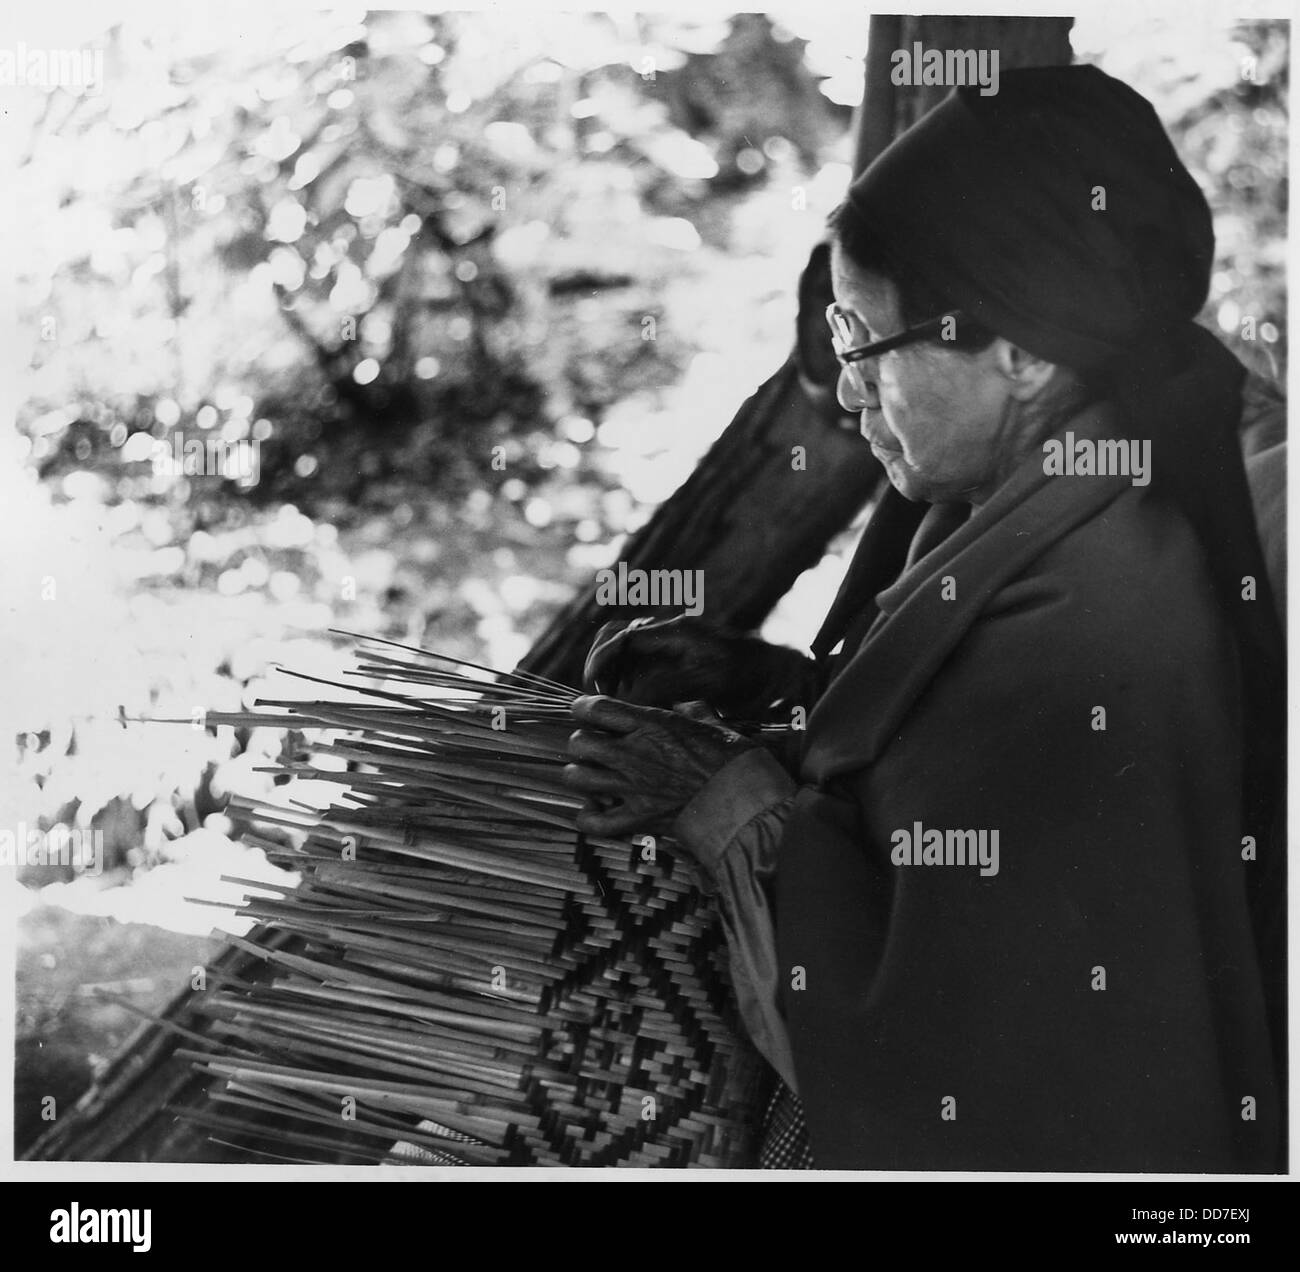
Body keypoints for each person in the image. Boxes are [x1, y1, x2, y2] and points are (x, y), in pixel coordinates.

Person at [564, 65, 1286, 1172]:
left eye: (865, 341)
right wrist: (779, 689)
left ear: (1023, 354)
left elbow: (949, 1068)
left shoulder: (1099, 619)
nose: (848, 391)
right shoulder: (1041, 485)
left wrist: (736, 808)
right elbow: (933, 757)